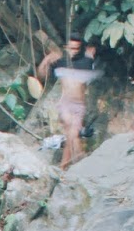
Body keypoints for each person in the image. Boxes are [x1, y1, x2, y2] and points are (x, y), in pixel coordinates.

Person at [36, 35, 100, 168]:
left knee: (73, 134)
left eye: (77, 48)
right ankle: (75, 161)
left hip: (79, 106)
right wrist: (46, 60)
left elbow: (91, 70)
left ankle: (67, 164)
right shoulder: (60, 61)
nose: (74, 51)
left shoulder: (86, 62)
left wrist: (91, 54)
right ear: (66, 47)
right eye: (71, 48)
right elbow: (41, 77)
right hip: (65, 104)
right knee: (73, 132)